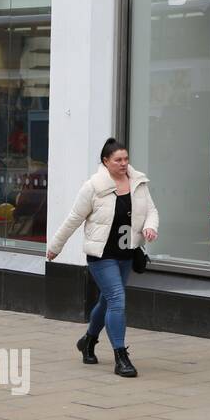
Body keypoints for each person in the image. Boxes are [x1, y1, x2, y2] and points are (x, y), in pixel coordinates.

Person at [47, 138, 160, 378]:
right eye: (118, 160)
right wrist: (56, 246)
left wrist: (150, 227)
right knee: (117, 299)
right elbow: (74, 218)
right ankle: (121, 356)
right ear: (105, 161)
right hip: (102, 256)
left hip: (127, 254)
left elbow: (151, 211)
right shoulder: (93, 187)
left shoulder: (138, 182)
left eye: (126, 159)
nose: (123, 163)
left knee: (107, 301)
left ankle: (88, 340)